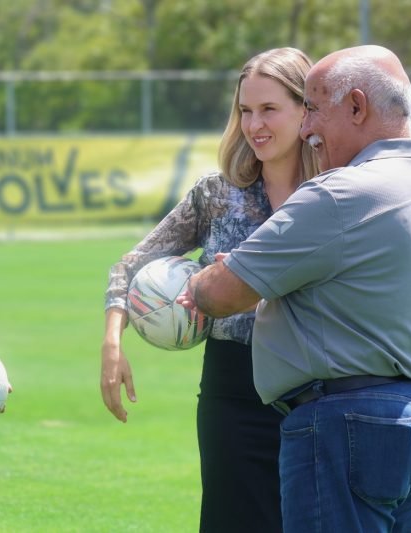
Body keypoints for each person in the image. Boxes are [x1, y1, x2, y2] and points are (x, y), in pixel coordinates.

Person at [178, 45, 411, 532]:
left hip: (344, 425)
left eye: (313, 108)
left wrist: (214, 275)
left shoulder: (338, 194)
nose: (308, 127)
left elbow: (221, 294)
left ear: (357, 107)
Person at [101, 47, 318, 533]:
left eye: (269, 109)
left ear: (306, 110)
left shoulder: (335, 194)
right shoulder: (217, 194)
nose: (254, 124)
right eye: (245, 110)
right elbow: (130, 265)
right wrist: (113, 340)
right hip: (233, 394)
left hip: (319, 393)